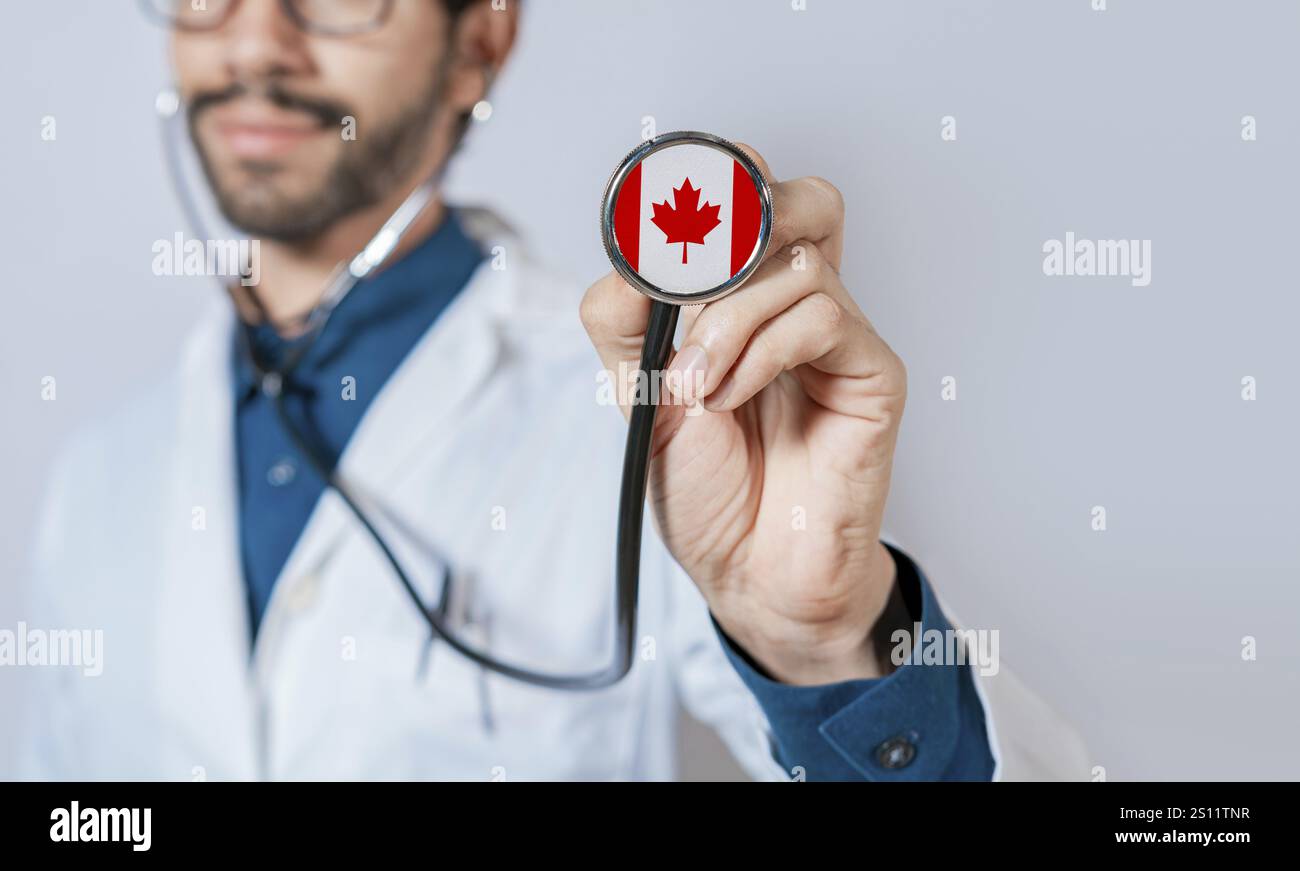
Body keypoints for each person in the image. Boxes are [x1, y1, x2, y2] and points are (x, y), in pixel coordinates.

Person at [17, 0, 1086, 780]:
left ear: (477, 42)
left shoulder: (670, 418)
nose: (253, 41)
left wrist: (822, 646)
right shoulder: (95, 477)